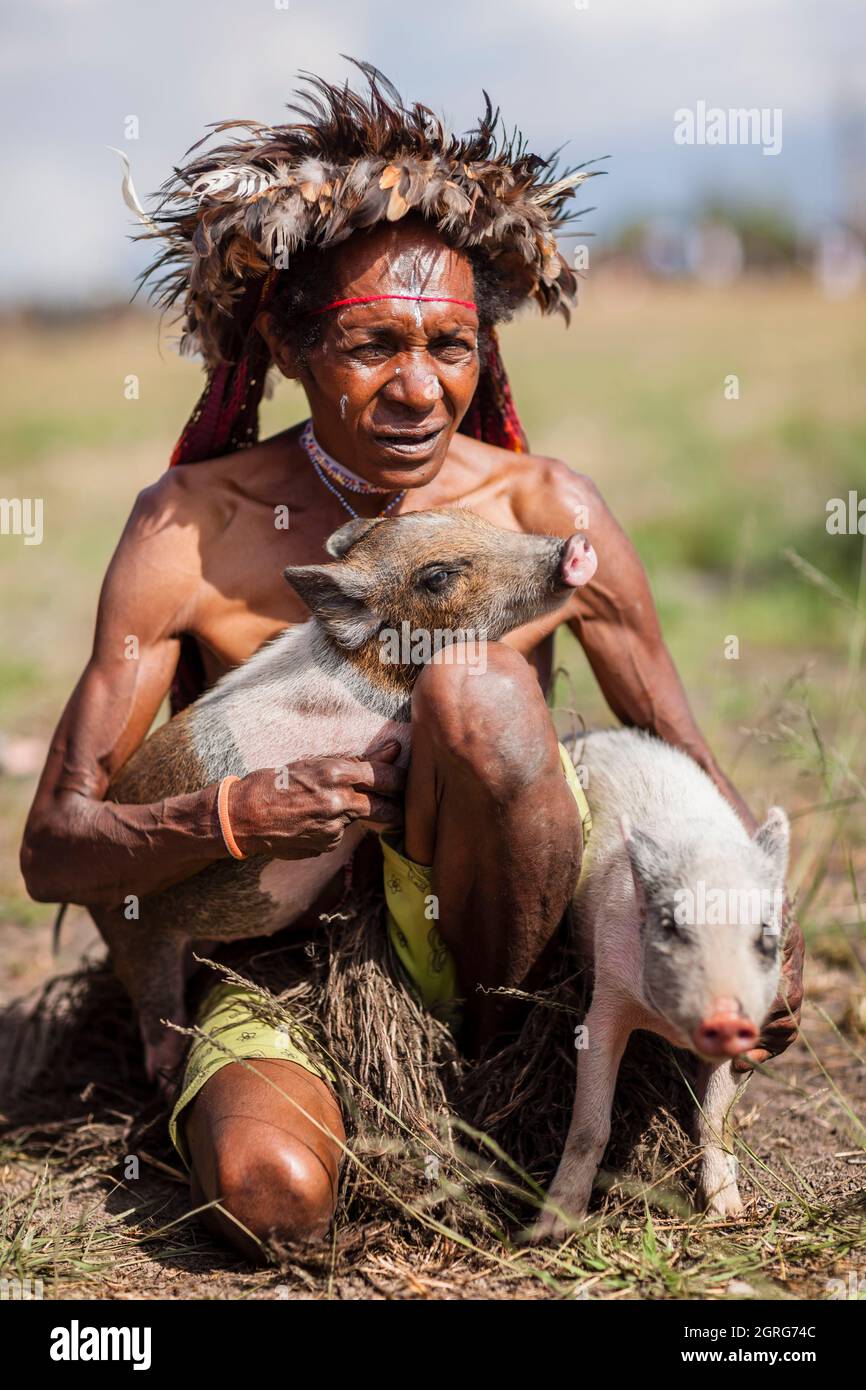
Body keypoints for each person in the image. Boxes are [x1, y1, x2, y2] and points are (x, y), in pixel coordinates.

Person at [20, 63, 803, 1261]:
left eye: (451, 345)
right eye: (373, 344)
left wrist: (762, 926)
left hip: (505, 954)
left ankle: (504, 1080)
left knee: (476, 687)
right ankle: (327, 1090)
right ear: (284, 343)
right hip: (274, 960)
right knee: (272, 1193)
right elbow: (55, 847)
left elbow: (688, 762)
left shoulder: (544, 511)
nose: (421, 388)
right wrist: (235, 812)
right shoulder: (193, 528)